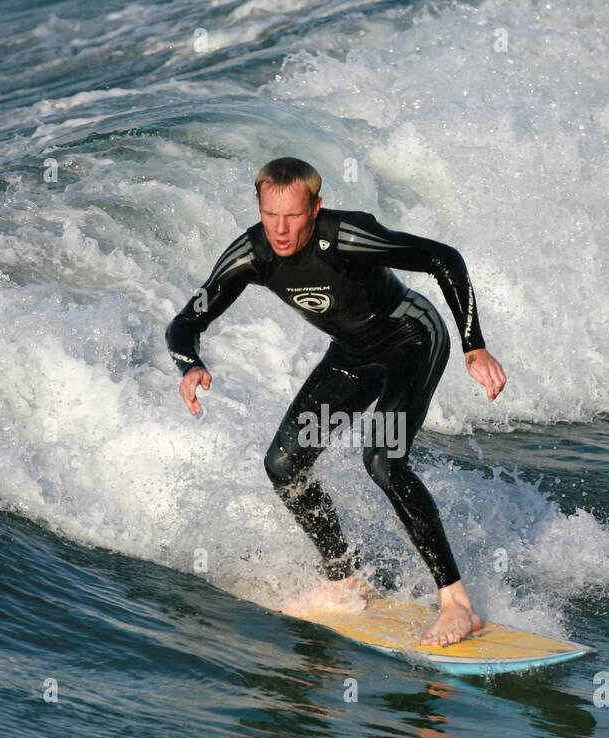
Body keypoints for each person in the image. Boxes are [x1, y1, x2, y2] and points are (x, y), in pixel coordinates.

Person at [166, 157, 506, 645]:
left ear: (316, 207)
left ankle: (457, 604)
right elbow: (185, 321)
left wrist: (474, 345)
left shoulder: (346, 236)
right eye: (270, 216)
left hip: (411, 340)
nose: (281, 230)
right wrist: (189, 364)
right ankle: (345, 579)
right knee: (285, 464)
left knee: (384, 462)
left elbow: (442, 258)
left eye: (294, 217)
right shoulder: (253, 255)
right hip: (352, 356)